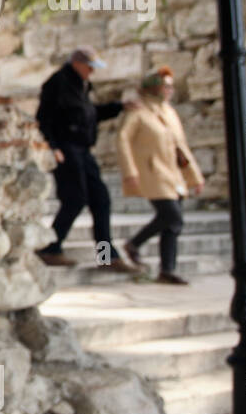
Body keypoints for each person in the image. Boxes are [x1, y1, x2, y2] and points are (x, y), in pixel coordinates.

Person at [35, 46, 140, 272]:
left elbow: (89, 114)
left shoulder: (82, 87)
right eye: (90, 67)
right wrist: (52, 147)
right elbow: (43, 119)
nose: (92, 72)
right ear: (77, 64)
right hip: (65, 149)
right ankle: (50, 248)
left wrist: (119, 107)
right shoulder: (58, 83)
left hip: (83, 150)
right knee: (75, 198)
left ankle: (106, 257)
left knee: (101, 199)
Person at [117, 67, 204, 285]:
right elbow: (122, 140)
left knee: (173, 225)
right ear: (154, 87)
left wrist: (194, 176)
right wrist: (130, 171)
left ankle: (167, 270)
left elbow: (180, 147)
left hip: (172, 173)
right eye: (165, 86)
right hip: (151, 172)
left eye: (170, 87)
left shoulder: (170, 113)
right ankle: (134, 243)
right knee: (172, 216)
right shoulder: (137, 111)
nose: (169, 90)